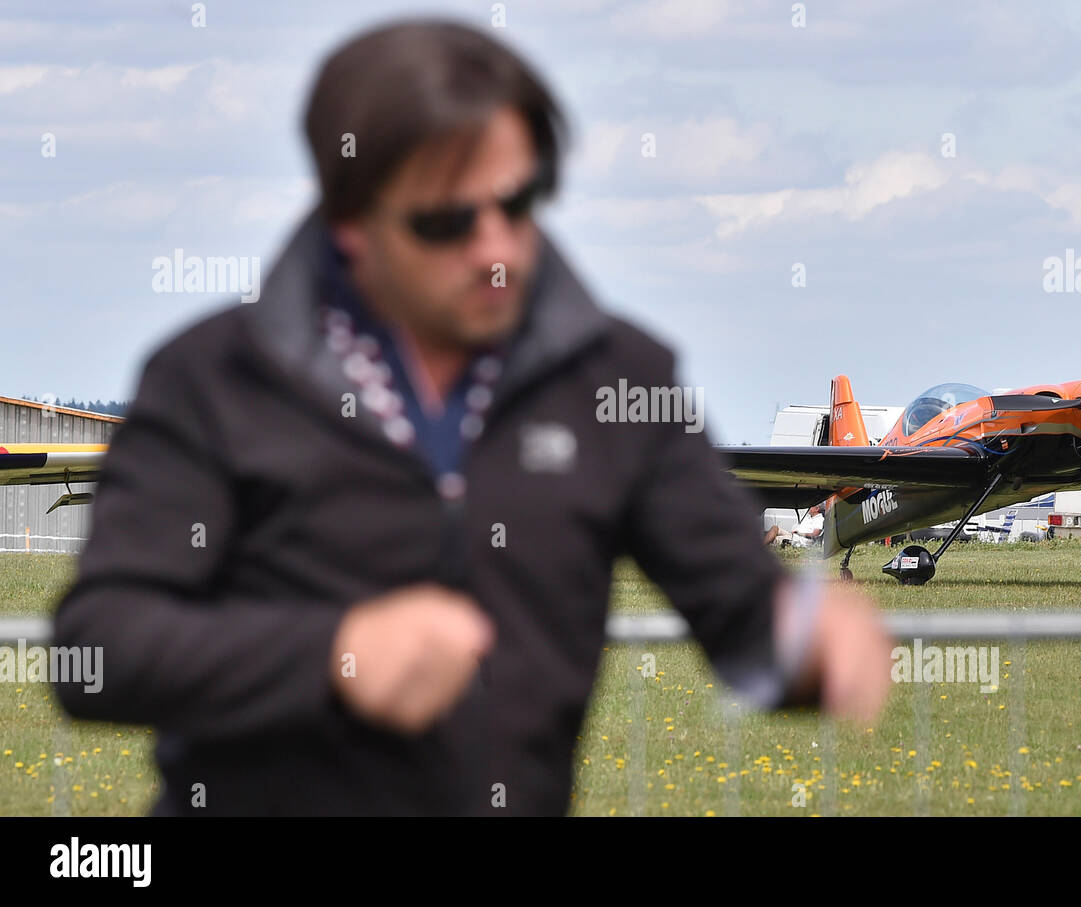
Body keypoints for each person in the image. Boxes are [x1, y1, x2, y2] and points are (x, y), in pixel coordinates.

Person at [51, 19, 894, 816]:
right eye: (447, 220)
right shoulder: (211, 377)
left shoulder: (622, 379)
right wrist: (331, 654)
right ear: (351, 224)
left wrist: (801, 640)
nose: (496, 249)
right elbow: (97, 652)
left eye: (518, 203)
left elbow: (738, 605)